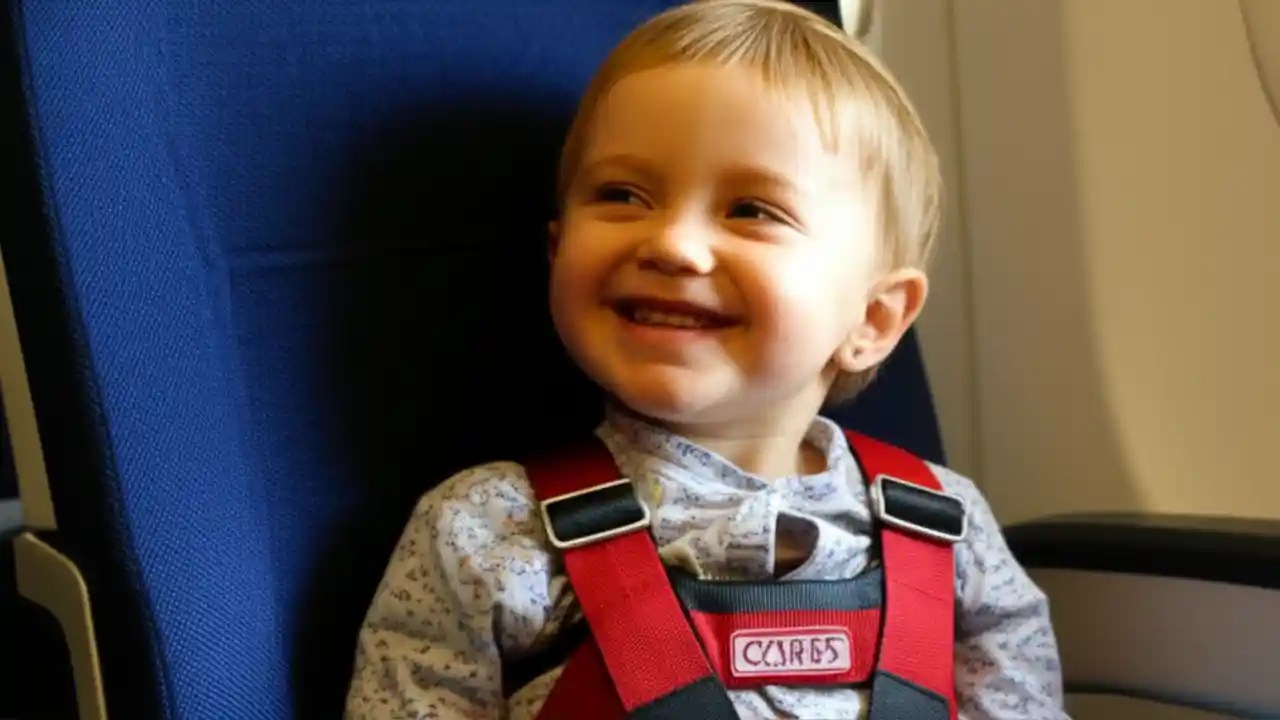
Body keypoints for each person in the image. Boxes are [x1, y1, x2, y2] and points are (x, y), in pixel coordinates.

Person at [346, 1, 1066, 717]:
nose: (672, 245)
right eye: (623, 195)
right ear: (557, 251)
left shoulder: (944, 526)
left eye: (752, 210)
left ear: (873, 319)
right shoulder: (488, 533)